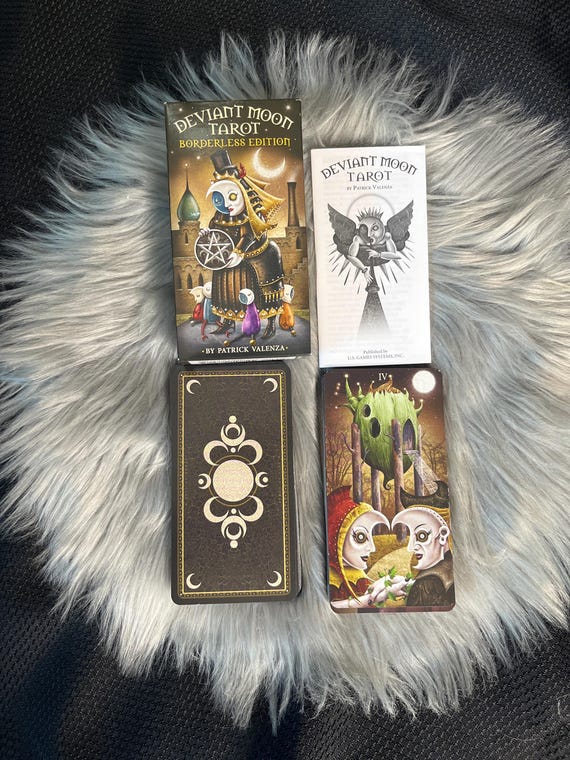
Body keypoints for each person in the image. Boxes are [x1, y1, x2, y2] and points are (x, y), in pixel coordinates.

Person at [205, 149, 285, 339]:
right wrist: (206, 234)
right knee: (227, 292)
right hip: (230, 263)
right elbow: (215, 233)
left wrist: (239, 251)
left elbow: (248, 235)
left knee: (264, 294)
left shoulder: (252, 216)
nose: (227, 204)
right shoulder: (220, 217)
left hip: (256, 261)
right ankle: (227, 321)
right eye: (220, 198)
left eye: (232, 197)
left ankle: (270, 323)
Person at [327, 486, 407, 610]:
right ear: (337, 539)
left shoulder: (359, 576)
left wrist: (389, 582)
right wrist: (368, 599)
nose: (372, 548)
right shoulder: (331, 581)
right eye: (360, 537)